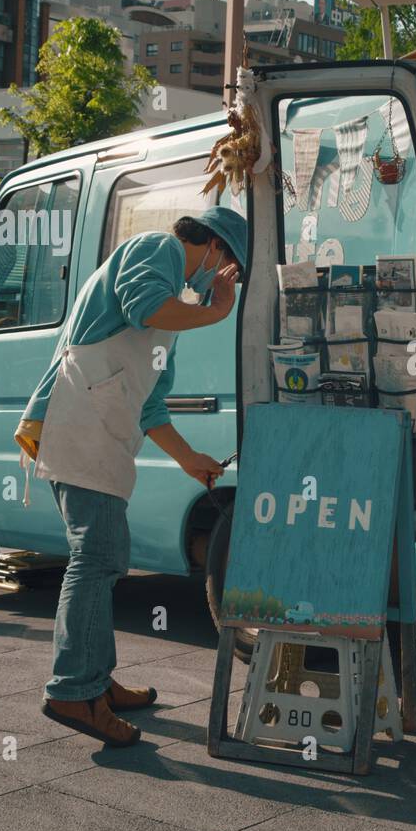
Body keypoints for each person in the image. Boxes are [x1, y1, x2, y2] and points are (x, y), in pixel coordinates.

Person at [14, 206, 248, 747]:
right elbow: (147, 308)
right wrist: (215, 312)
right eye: (228, 265)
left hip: (103, 436)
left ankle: (97, 680)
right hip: (79, 428)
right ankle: (73, 689)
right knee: (96, 557)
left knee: (105, 557)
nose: (223, 280)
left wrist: (191, 458)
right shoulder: (156, 250)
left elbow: (152, 407)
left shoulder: (173, 304)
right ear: (213, 247)